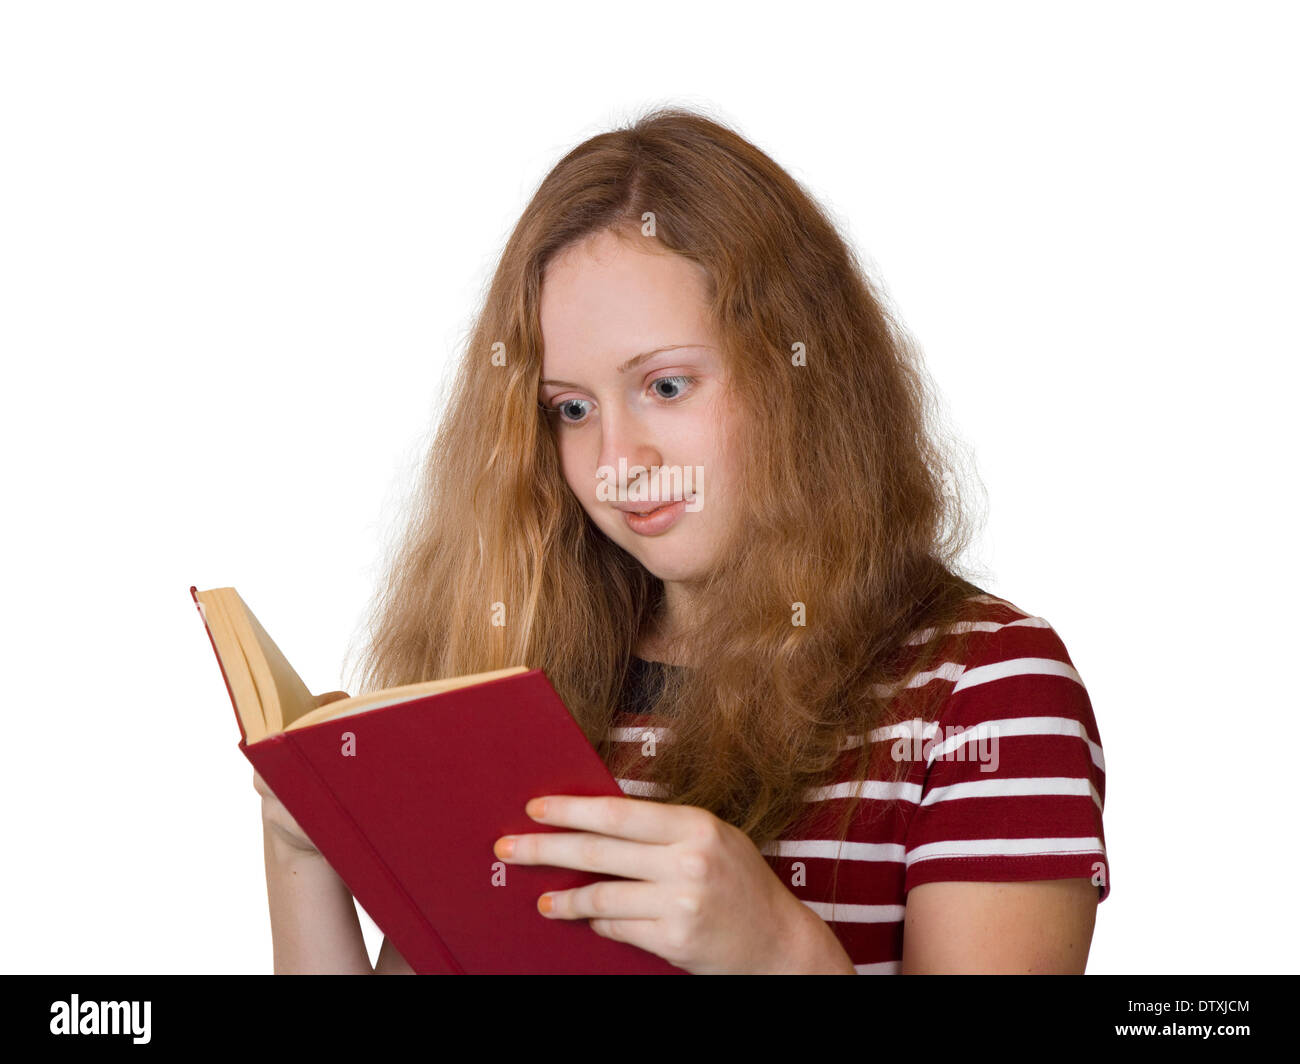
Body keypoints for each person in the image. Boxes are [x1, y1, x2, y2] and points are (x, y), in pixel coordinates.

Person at [256, 106, 1109, 974]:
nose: (619, 461)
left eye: (666, 385)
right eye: (572, 410)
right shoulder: (528, 677)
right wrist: (303, 853)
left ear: (798, 372)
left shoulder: (985, 691)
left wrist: (782, 954)